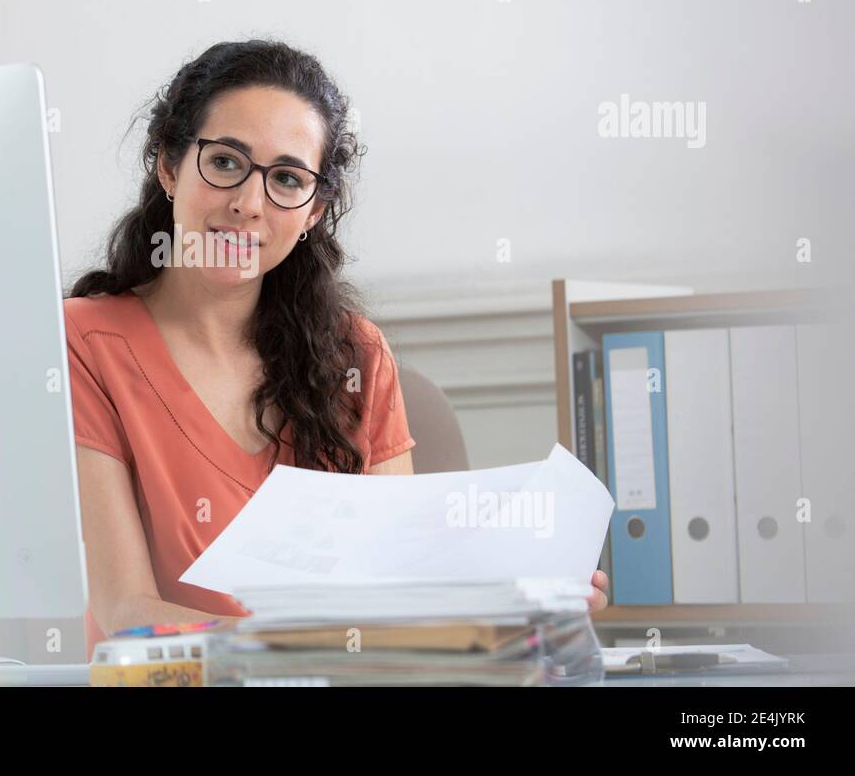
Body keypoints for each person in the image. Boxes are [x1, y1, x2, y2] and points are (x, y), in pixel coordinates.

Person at [64, 39, 608, 661]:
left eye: (287, 179)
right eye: (223, 163)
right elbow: (126, 612)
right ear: (168, 166)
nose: (248, 204)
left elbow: (401, 596)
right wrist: (314, 649)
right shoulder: (85, 342)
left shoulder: (356, 357)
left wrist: (526, 604)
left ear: (314, 211)